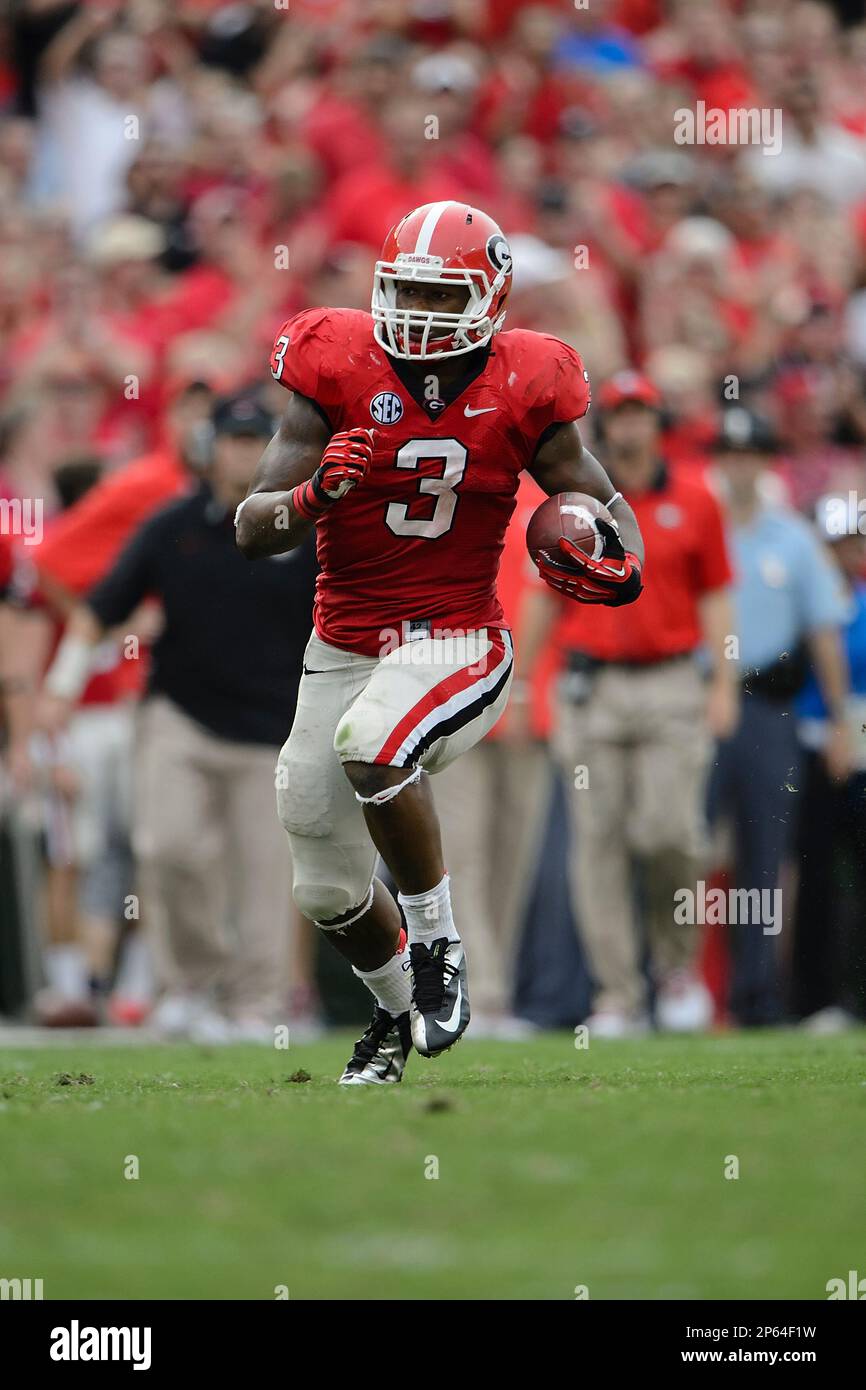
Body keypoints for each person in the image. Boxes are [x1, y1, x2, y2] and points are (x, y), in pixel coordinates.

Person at [235, 200, 645, 1084]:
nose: (418, 312)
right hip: (343, 642)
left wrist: (625, 564)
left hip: (458, 641)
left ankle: (440, 946)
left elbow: (601, 502)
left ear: (491, 299)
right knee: (326, 886)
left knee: (374, 744)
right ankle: (391, 1020)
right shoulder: (334, 358)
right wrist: (311, 501)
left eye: (439, 294)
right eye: (406, 291)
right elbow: (250, 526)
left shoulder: (531, 377)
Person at [39, 391, 318, 1040]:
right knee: (166, 846)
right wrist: (60, 685)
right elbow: (99, 606)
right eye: (233, 437)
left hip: (274, 727)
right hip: (180, 715)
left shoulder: (305, 529)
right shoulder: (173, 525)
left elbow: (342, 618)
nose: (244, 450)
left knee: (264, 871)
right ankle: (191, 983)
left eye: (256, 438)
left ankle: (256, 1002)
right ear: (209, 447)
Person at [519, 370, 737, 1036]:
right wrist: (524, 682)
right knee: (597, 841)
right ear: (606, 425)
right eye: (620, 414)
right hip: (592, 686)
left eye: (642, 413)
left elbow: (716, 598)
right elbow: (543, 596)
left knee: (670, 830)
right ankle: (616, 992)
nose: (631, 425)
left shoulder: (696, 499)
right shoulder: (577, 502)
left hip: (671, 680)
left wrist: (725, 680)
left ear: (656, 421)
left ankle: (673, 968)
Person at [708, 407, 850, 1026]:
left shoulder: (793, 539)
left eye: (751, 454)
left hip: (768, 706)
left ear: (767, 463)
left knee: (766, 856)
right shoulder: (698, 527)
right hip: (700, 700)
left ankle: (759, 994)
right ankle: (678, 990)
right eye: (731, 455)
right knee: (683, 846)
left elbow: (824, 634)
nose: (740, 465)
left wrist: (843, 719)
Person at [792, 498, 866, 1030]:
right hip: (806, 745)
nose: (849, 552)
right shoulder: (804, 601)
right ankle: (811, 998)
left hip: (858, 746)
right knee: (813, 874)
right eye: (841, 542)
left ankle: (853, 995)